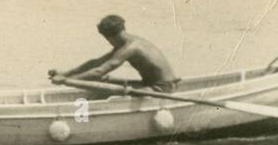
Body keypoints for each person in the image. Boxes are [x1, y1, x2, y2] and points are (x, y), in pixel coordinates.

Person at [48, 15, 179, 93]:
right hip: (152, 84)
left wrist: (67, 81)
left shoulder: (130, 48)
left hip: (162, 89)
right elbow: (96, 62)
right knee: (103, 81)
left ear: (109, 37)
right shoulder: (127, 42)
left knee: (105, 89)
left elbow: (99, 71)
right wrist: (66, 73)